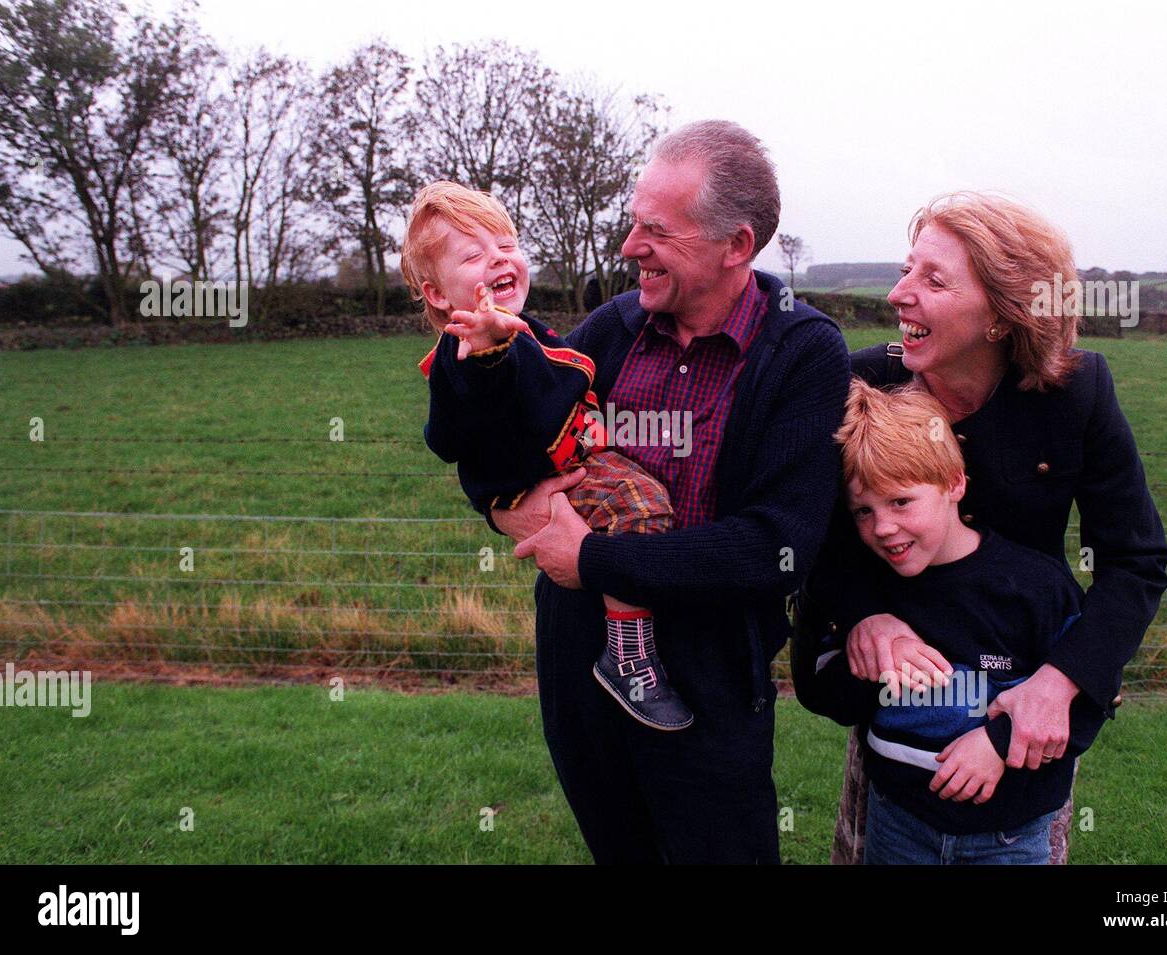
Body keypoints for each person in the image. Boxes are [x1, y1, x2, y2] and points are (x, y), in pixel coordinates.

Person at [494, 120, 851, 863]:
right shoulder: (609, 331)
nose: (629, 247)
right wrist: (502, 502)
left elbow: (773, 548)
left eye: (657, 230)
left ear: (737, 245)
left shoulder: (801, 352)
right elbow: (503, 449)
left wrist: (592, 560)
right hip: (577, 671)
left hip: (711, 686)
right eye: (632, 223)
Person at [794, 192, 1167, 864]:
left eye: (933, 280)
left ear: (1003, 313)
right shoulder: (864, 386)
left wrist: (1061, 681)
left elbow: (1135, 560)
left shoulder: (1076, 392)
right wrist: (860, 617)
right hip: (900, 702)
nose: (899, 295)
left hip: (1028, 701)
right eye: (907, 271)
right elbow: (807, 533)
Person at [403, 181, 693, 731]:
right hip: (548, 474)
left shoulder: (526, 330)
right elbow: (460, 421)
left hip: (565, 463)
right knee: (641, 503)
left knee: (644, 498)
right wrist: (489, 350)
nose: (498, 258)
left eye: (507, 244)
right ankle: (628, 655)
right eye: (473, 255)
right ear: (438, 295)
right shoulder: (467, 350)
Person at [794, 378, 1111, 864]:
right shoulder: (871, 591)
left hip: (1007, 836)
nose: (882, 527)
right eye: (863, 510)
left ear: (955, 485)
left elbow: (1090, 694)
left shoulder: (1033, 587)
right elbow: (824, 691)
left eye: (901, 502)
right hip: (896, 822)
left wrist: (998, 743)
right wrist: (863, 663)